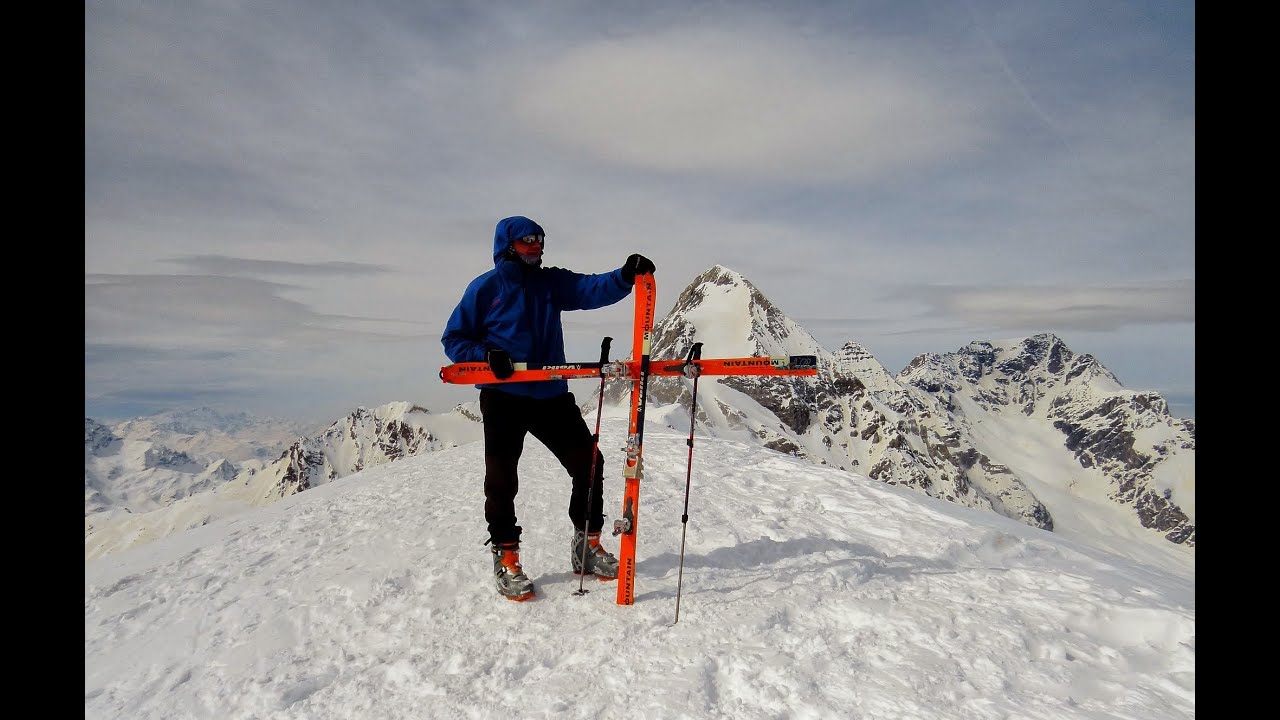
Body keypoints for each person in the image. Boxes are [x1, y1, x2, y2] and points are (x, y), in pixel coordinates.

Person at [441, 215, 656, 601]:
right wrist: (487, 355)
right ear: (508, 245)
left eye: (540, 240)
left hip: (549, 394)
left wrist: (625, 275)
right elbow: (454, 338)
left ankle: (586, 546)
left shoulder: (550, 283)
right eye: (527, 241)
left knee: (589, 463)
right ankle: (506, 557)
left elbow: (591, 289)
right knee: (502, 479)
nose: (536, 246)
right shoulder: (486, 288)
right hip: (503, 395)